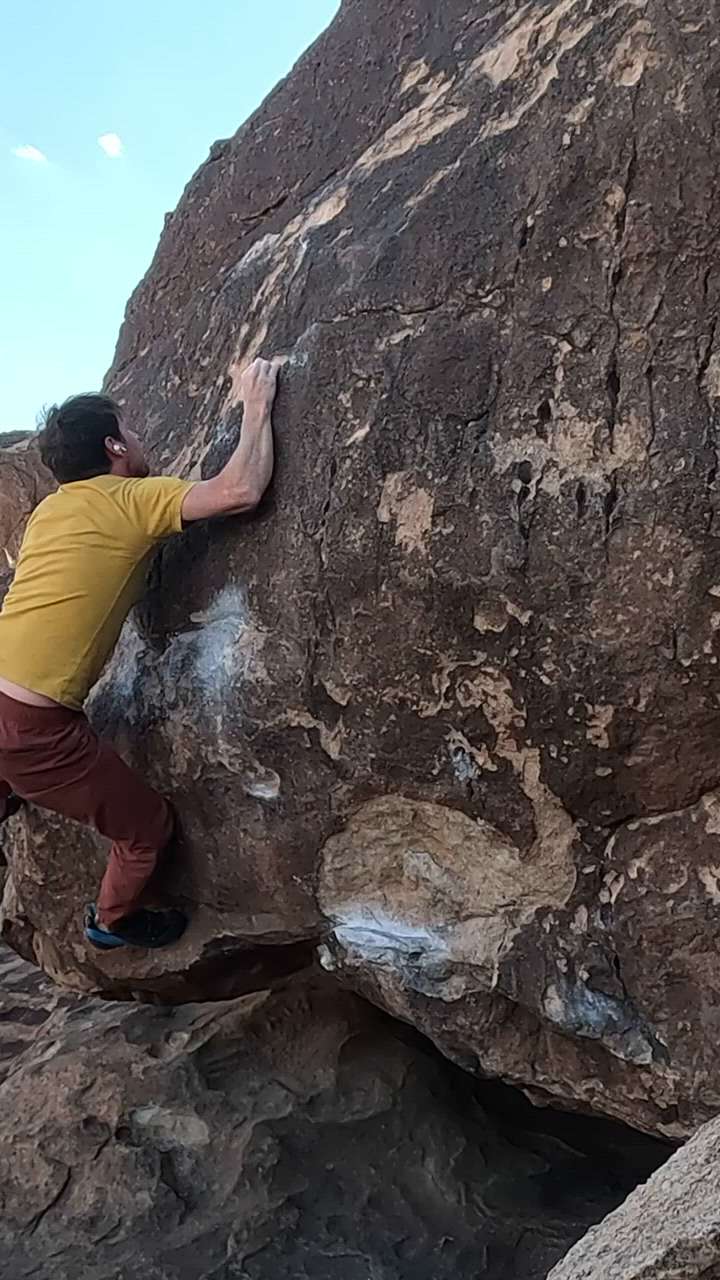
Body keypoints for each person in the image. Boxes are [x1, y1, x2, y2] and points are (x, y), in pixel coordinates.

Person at [0, 356, 278, 952]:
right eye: (130, 430)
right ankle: (112, 922)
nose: (138, 437)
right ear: (113, 447)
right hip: (33, 731)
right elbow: (241, 491)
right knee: (148, 830)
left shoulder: (49, 512)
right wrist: (254, 403)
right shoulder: (130, 501)